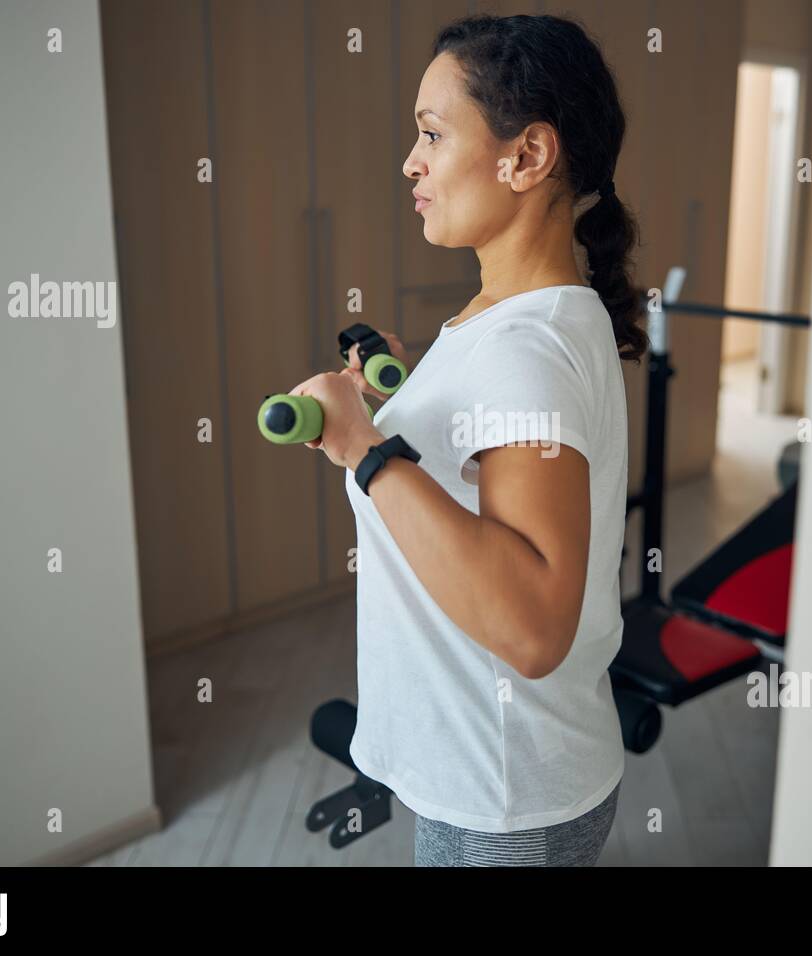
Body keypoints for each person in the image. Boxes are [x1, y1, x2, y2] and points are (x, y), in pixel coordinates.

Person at [288, 13, 646, 866]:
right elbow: (489, 469)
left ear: (526, 156)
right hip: (503, 778)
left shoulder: (527, 346)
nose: (410, 161)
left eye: (432, 133)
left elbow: (530, 626)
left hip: (502, 802)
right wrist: (410, 405)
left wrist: (364, 451)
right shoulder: (518, 314)